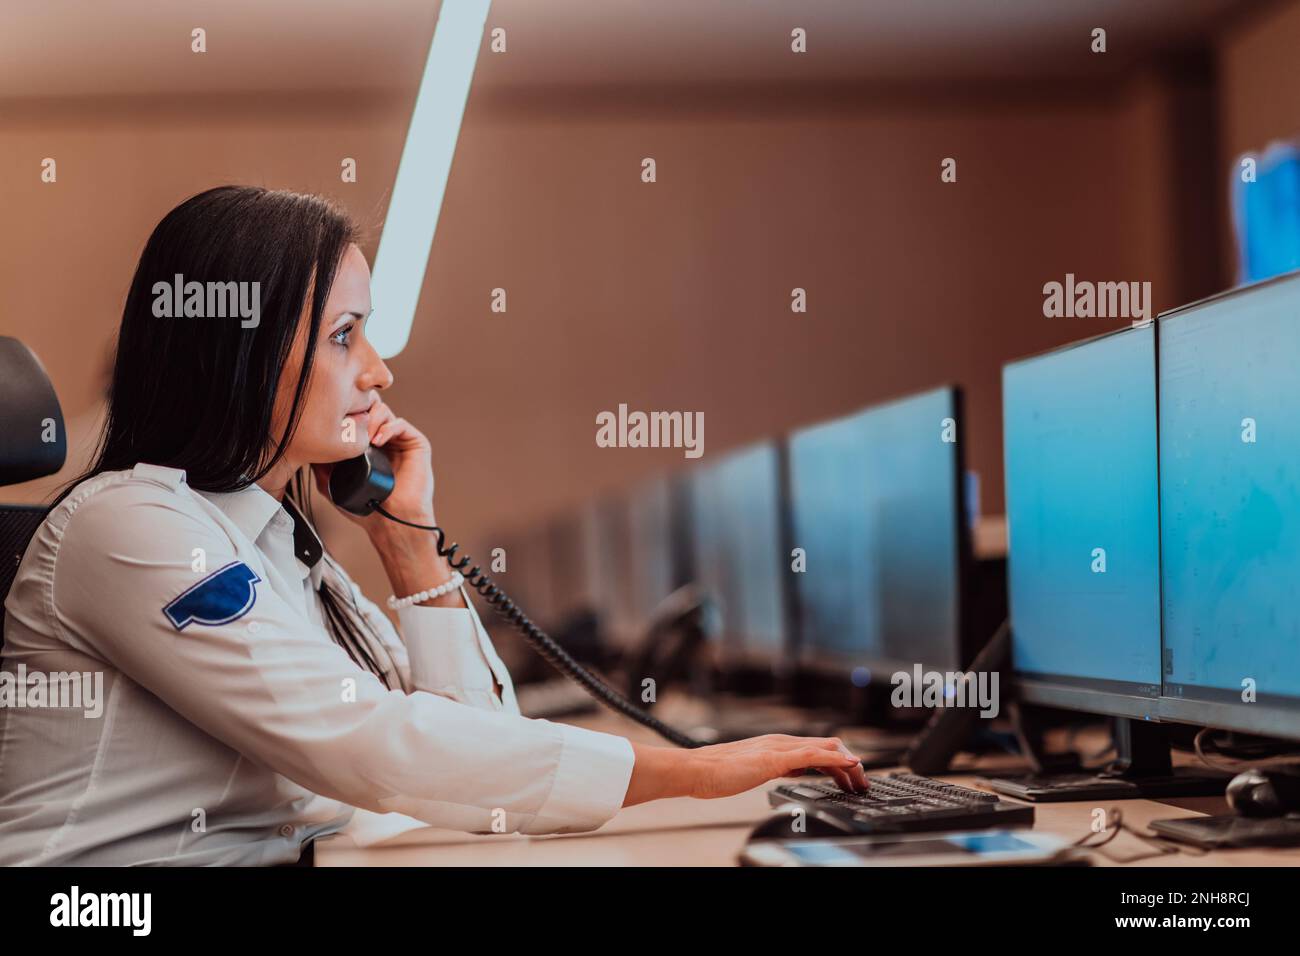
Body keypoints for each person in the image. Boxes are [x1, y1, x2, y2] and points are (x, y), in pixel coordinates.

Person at [0, 186, 867, 865]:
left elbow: (472, 757)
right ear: (242, 353)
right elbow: (381, 749)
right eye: (346, 336)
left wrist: (408, 543)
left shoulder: (281, 547)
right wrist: (699, 770)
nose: (378, 370)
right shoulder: (129, 528)